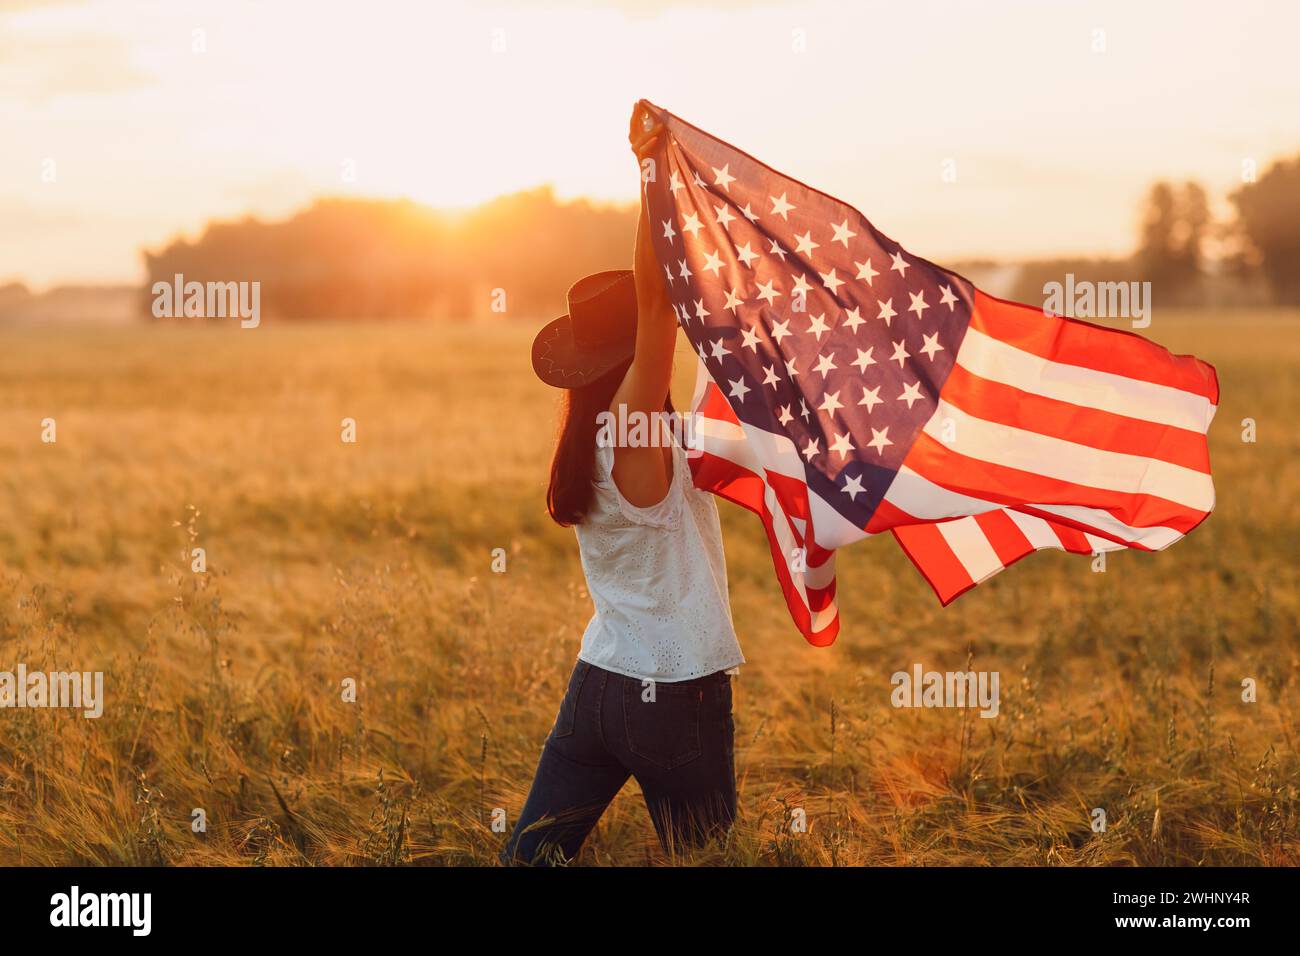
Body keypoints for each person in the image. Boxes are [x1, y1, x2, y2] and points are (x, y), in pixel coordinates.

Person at [503, 106, 744, 865]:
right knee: (707, 862)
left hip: (600, 682)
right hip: (676, 691)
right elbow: (658, 302)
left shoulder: (586, 444)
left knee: (530, 858)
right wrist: (651, 169)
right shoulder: (633, 427)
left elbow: (655, 310)